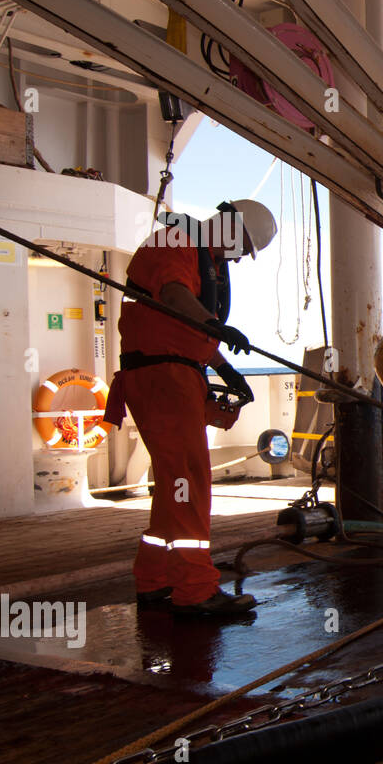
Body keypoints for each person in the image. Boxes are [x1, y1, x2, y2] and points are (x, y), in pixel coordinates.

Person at [104, 200, 276, 616]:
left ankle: (156, 577)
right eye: (243, 245)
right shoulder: (177, 240)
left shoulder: (202, 254)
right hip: (163, 375)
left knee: (174, 482)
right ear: (230, 225)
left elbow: (185, 327)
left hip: (173, 372)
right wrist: (215, 328)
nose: (238, 256)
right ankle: (195, 589)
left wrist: (225, 367)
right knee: (189, 478)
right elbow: (174, 295)